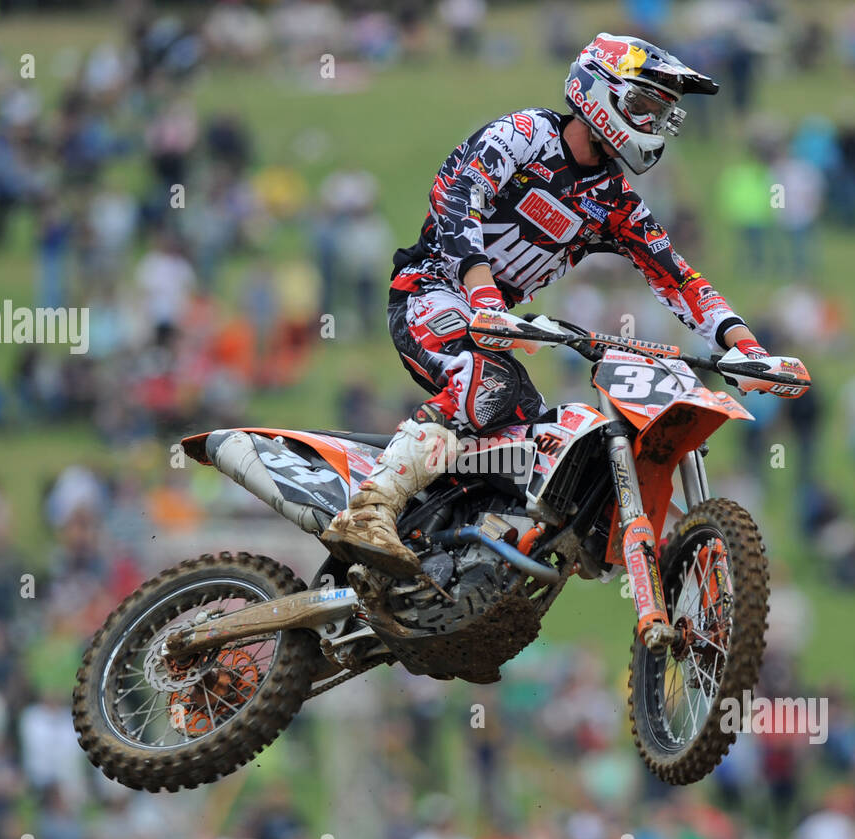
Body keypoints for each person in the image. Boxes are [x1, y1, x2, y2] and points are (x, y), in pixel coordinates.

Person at [322, 33, 808, 576]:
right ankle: (369, 509)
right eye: (645, 106)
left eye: (662, 114)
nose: (652, 123)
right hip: (428, 291)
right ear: (600, 93)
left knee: (544, 446)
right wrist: (481, 293)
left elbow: (678, 278)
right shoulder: (525, 134)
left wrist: (747, 350)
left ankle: (456, 561)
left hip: (491, 319)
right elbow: (461, 199)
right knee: (490, 384)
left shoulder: (614, 201)